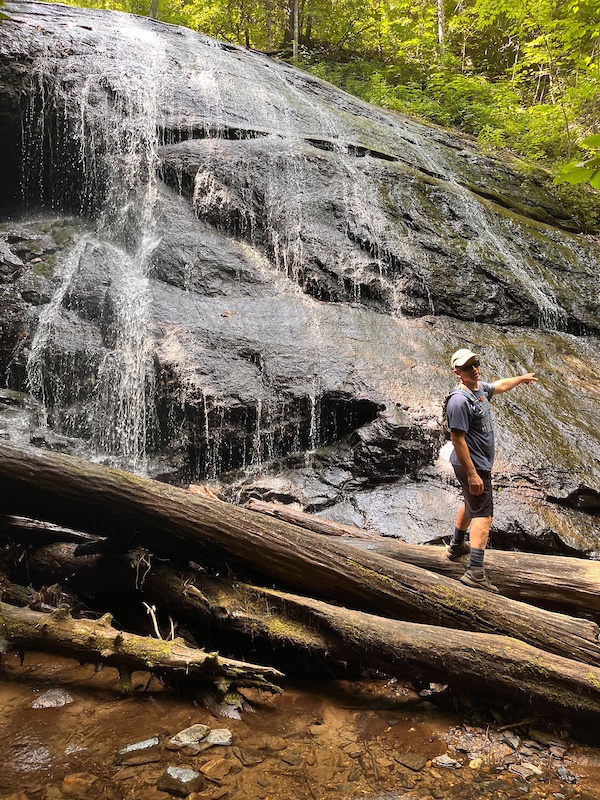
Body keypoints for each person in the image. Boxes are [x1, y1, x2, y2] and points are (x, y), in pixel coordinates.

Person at [446, 348, 538, 593]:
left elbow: (499, 385)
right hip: (472, 465)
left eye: (475, 363)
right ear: (458, 372)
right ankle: (475, 573)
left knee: (471, 502)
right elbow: (457, 439)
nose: (474, 369)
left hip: (476, 464)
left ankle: (456, 547)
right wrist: (474, 473)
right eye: (467, 367)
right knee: (484, 515)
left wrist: (520, 378)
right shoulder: (458, 401)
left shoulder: (479, 391)